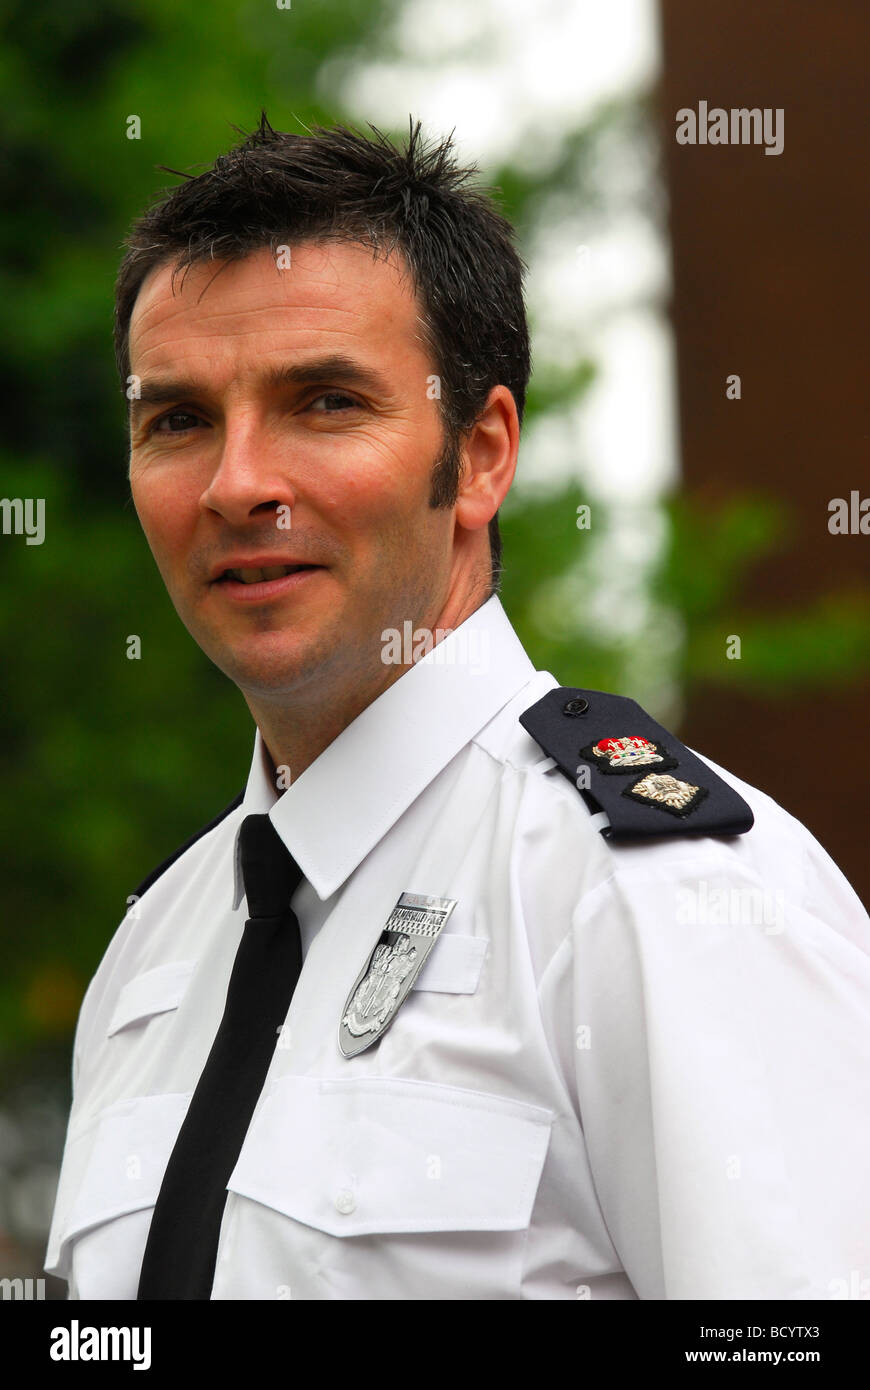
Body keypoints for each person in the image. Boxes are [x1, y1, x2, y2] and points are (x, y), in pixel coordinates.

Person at [45, 114, 870, 1301]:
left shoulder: (655, 900)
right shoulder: (152, 953)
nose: (237, 485)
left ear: (480, 456)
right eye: (176, 420)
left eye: (323, 401)